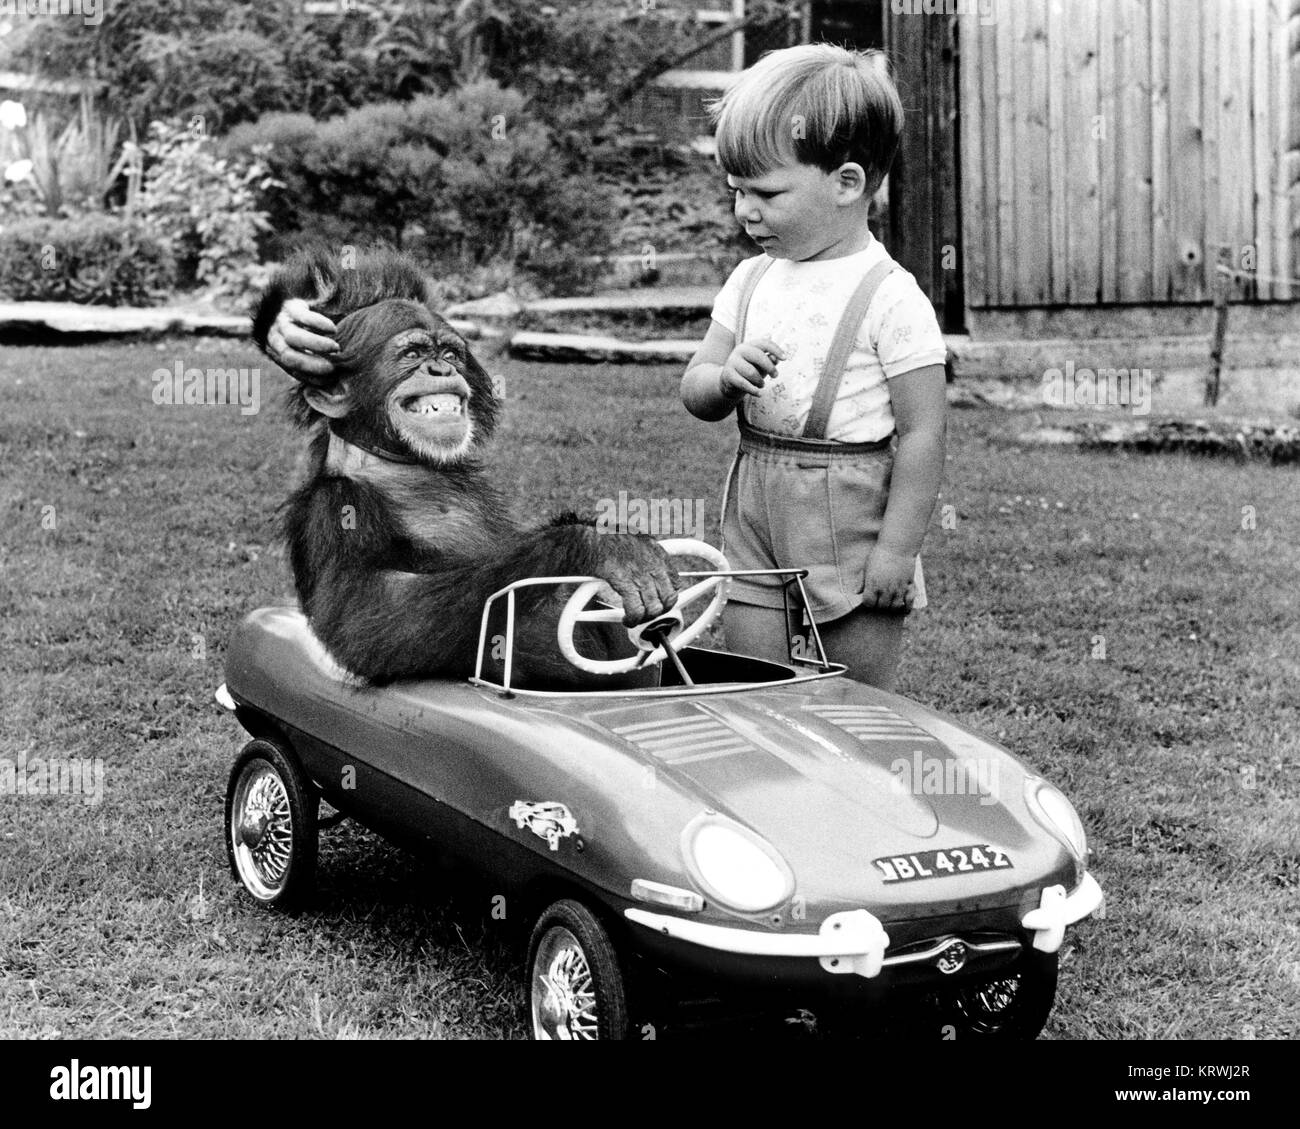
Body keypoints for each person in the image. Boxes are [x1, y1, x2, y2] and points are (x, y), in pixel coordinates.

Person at [680, 43, 947, 691]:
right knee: (756, 687)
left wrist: (896, 550)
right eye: (735, 190)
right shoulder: (749, 281)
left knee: (857, 702)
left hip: (849, 516)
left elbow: (923, 434)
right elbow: (696, 388)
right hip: (756, 505)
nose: (745, 210)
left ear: (846, 183)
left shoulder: (891, 296)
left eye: (767, 192)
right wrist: (723, 378)